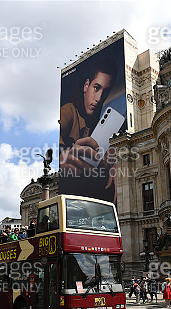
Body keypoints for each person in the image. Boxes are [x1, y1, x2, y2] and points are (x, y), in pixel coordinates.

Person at [59, 57, 120, 203]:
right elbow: (58, 148)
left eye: (105, 92)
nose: (99, 98)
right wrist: (62, 156)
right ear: (86, 85)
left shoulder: (100, 125)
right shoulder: (68, 111)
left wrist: (117, 164)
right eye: (96, 88)